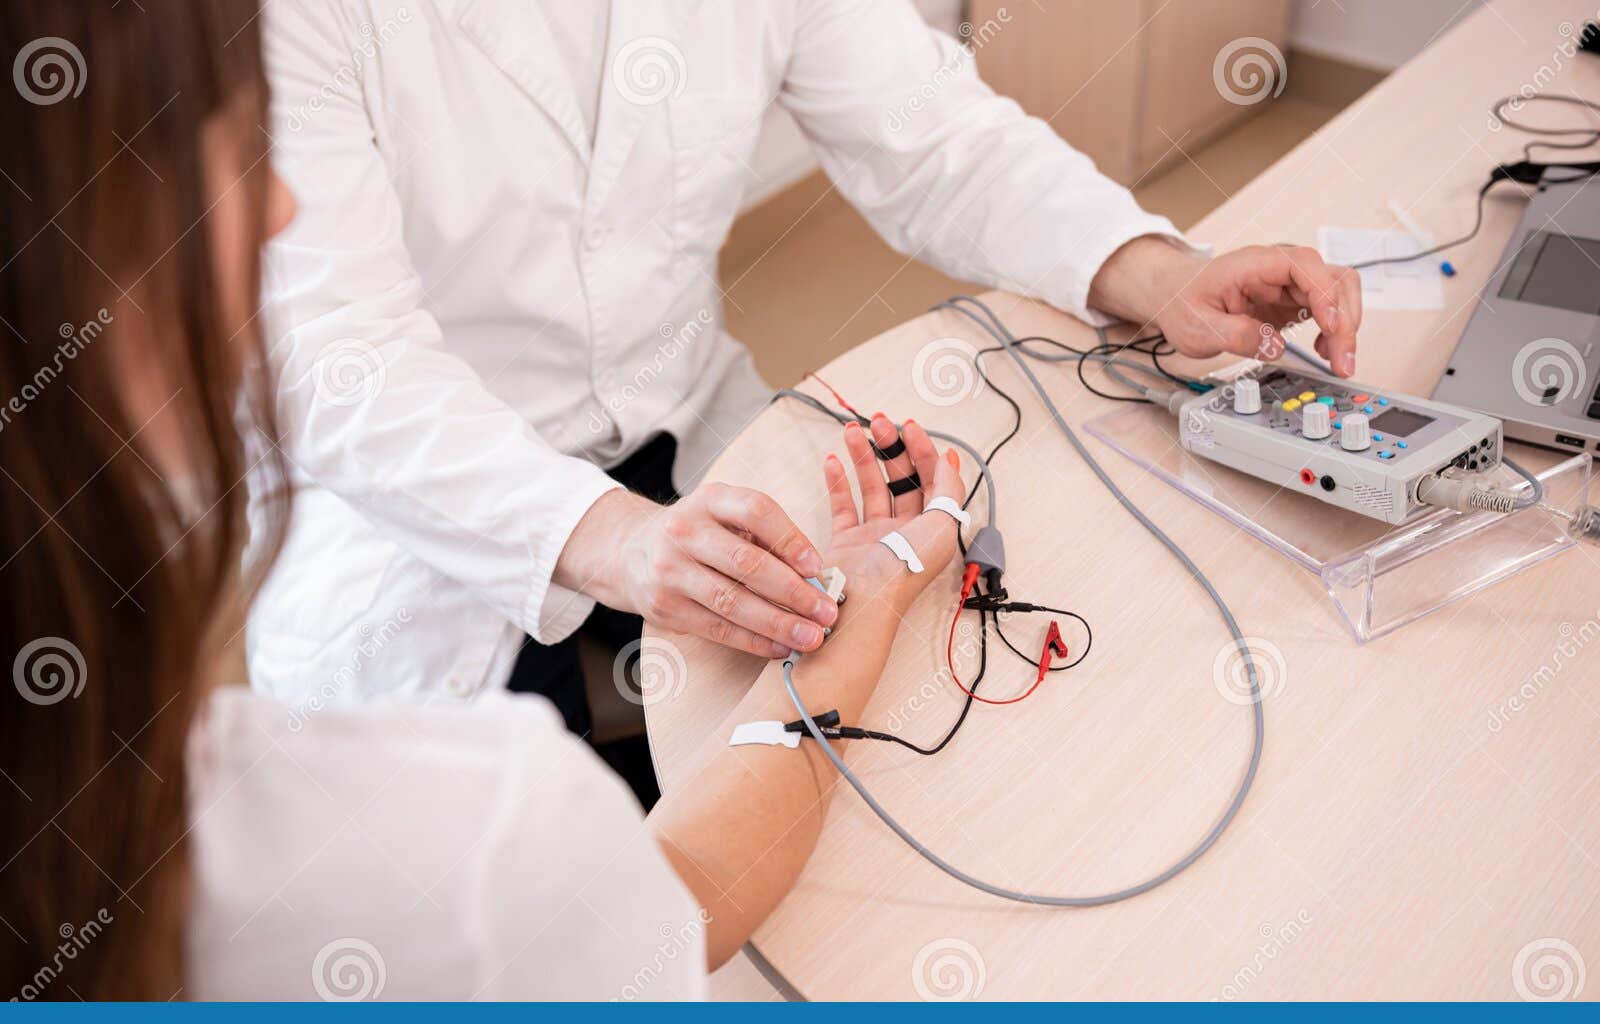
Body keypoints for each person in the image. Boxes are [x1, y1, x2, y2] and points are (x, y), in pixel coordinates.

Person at [0, 0, 964, 1000]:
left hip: (681, 433)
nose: (279, 206)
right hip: (411, 552)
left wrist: (1132, 257)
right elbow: (673, 908)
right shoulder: (454, 839)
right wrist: (866, 603)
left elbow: (940, 131)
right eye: (232, 147)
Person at [253, 1, 1363, 801]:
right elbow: (336, 356)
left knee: (896, 759)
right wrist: (600, 537)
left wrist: (1154, 270)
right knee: (529, 930)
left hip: (691, 426)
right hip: (430, 525)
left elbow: (936, 142)